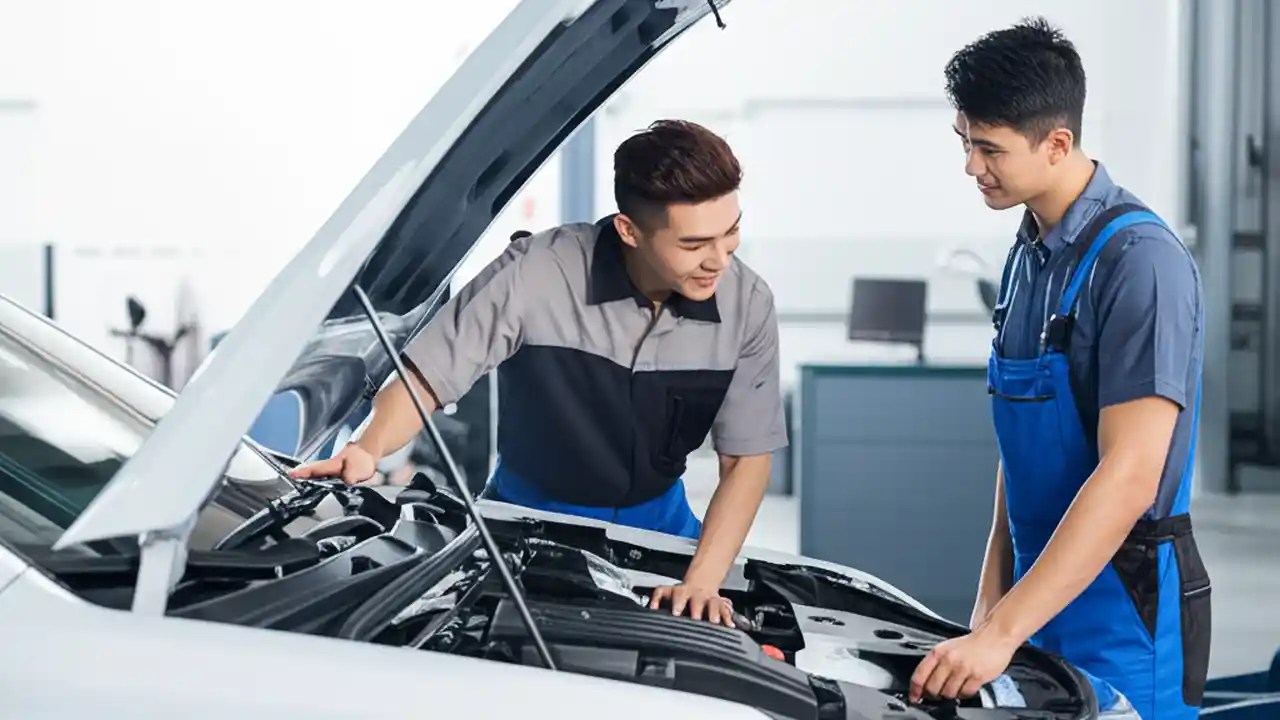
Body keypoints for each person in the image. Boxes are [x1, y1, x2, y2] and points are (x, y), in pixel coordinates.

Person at [290, 119, 787, 627]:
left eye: (731, 232)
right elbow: (425, 381)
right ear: (629, 230)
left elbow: (746, 460)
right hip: (527, 519)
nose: (719, 260)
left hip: (660, 527)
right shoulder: (533, 274)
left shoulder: (747, 302)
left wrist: (702, 581)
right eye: (694, 244)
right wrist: (367, 449)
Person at [908, 18, 1210, 720]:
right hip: (1037, 595)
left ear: (1058, 143)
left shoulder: (1141, 263)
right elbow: (1023, 450)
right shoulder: (1029, 252)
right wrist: (992, 604)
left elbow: (1131, 473)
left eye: (989, 149)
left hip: (1127, 609)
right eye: (965, 142)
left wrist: (1006, 628)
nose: (971, 166)